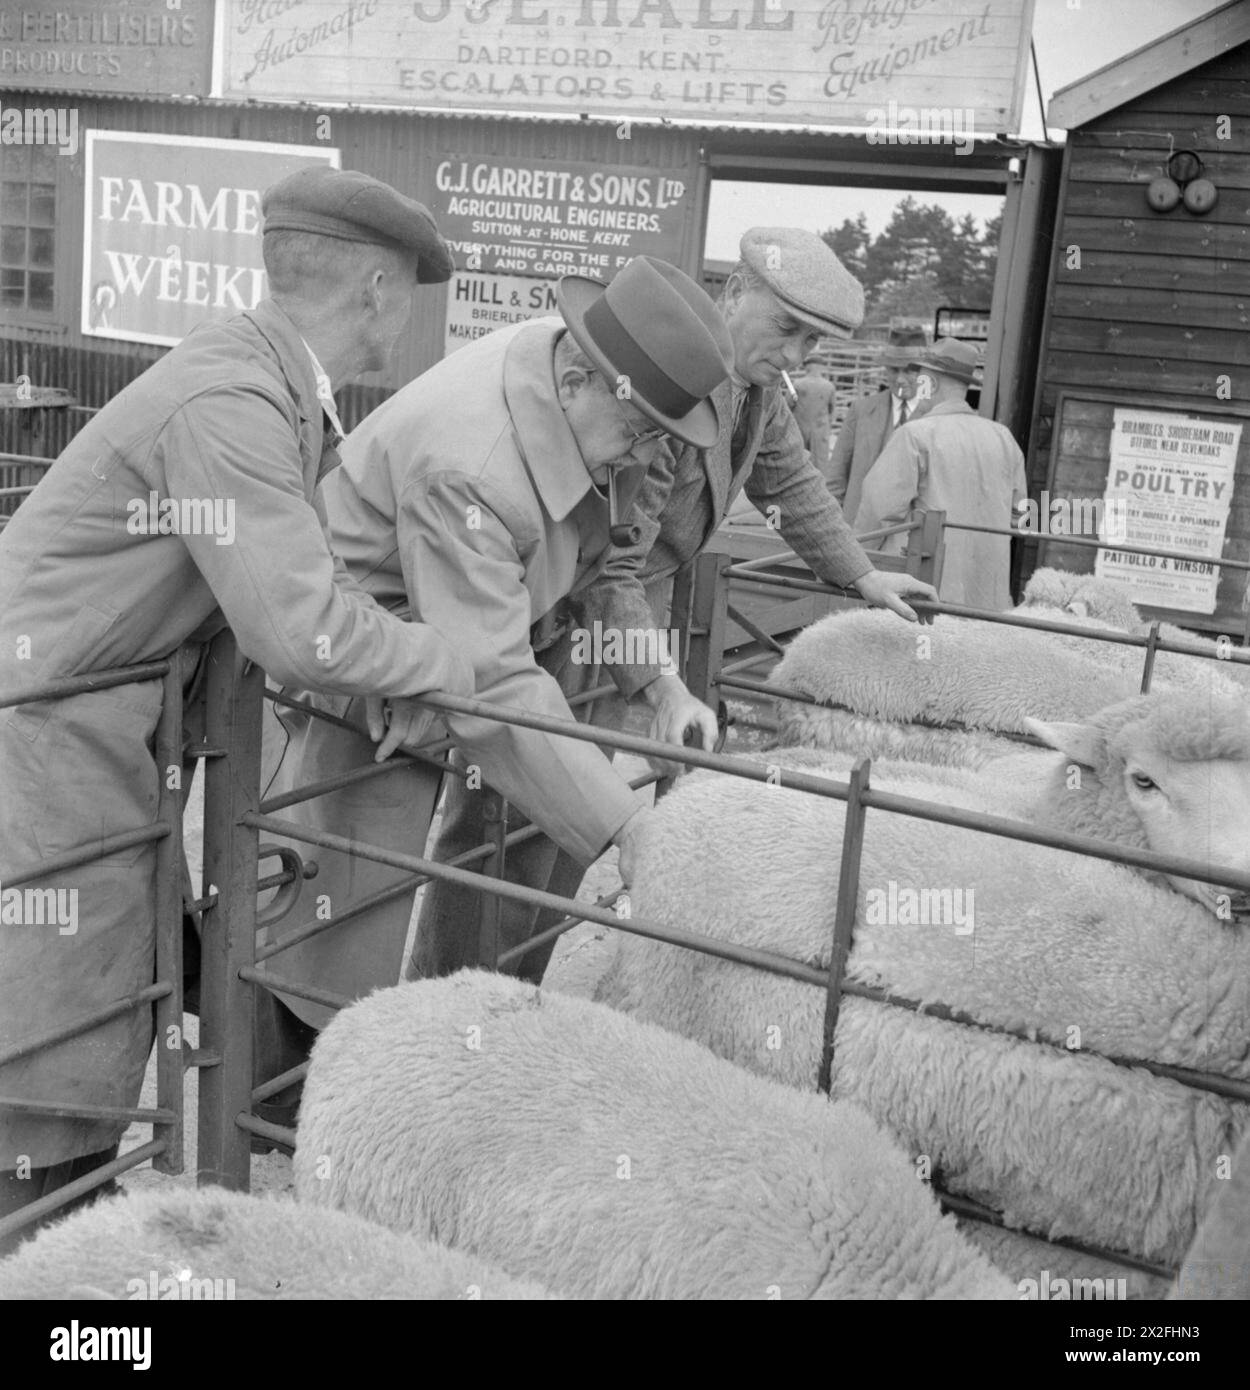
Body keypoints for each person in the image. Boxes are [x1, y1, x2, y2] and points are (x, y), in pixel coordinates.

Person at [0, 165, 476, 1242]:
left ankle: (63, 1205)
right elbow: (294, 621)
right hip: (48, 729)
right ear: (373, 292)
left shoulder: (256, 382)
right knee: (54, 992)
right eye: (407, 293)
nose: (404, 318)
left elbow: (276, 583)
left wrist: (375, 675)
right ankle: (36, 1231)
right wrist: (440, 662)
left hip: (97, 715)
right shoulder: (234, 402)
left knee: (105, 975)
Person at [416, 226, 940, 984]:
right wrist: (660, 683)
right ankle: (455, 995)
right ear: (734, 295)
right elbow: (612, 567)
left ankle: (515, 989)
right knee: (508, 808)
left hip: (619, 625)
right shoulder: (668, 384)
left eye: (814, 344)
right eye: (787, 328)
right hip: (566, 613)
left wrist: (864, 577)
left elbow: (787, 483)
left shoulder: (756, 390)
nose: (796, 356)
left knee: (562, 821)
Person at [262, 255, 734, 1014]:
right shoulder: (475, 469)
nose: (650, 458)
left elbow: (606, 566)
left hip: (459, 631)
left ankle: (453, 1046)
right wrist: (626, 825)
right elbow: (491, 682)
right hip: (358, 659)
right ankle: (291, 1107)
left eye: (660, 439)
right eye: (643, 434)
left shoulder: (590, 392)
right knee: (337, 898)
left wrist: (661, 685)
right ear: (578, 384)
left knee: (476, 858)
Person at [855, 338, 1027, 611]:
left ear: (931, 383)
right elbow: (1018, 518)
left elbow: (878, 512)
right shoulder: (1004, 439)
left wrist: (855, 568)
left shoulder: (915, 436)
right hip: (986, 602)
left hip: (922, 595)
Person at [828, 326, 929, 526]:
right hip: (858, 530)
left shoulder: (935, 417)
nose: (900, 379)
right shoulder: (861, 409)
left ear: (925, 371)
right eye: (893, 369)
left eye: (909, 370)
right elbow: (835, 478)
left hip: (907, 536)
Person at [788, 362, 836, 475]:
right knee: (819, 461)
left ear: (807, 368)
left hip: (799, 427)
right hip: (820, 428)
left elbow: (788, 405)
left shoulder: (798, 384)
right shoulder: (829, 386)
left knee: (797, 458)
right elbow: (832, 410)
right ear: (821, 368)